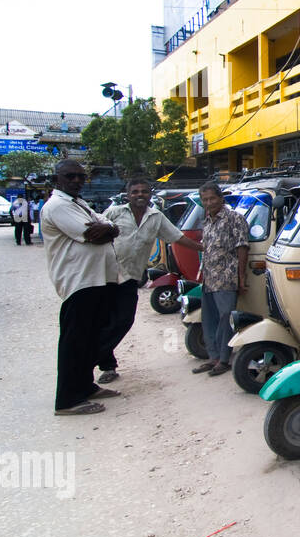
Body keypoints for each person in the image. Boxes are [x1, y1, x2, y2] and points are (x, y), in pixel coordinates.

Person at [99, 177, 203, 384]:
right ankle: (107, 365)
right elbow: (95, 233)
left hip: (131, 277)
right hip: (105, 275)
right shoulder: (114, 213)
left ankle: (97, 353)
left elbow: (177, 237)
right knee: (104, 320)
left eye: (144, 191)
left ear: (149, 194)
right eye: (135, 191)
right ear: (128, 195)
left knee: (124, 320)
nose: (140, 195)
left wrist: (204, 248)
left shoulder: (156, 217)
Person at [40, 159, 122, 416]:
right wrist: (108, 229)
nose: (76, 180)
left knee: (89, 339)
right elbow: (92, 236)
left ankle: (85, 387)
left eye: (80, 176)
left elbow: (109, 227)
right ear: (57, 179)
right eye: (70, 176)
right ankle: (68, 400)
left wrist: (109, 228)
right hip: (79, 281)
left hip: (95, 281)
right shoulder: (57, 206)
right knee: (75, 342)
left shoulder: (78, 203)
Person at [194, 182, 250, 377]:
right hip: (209, 278)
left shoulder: (234, 218)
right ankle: (213, 357)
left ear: (221, 198)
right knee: (209, 319)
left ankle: (224, 359)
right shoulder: (207, 221)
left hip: (226, 278)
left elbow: (242, 247)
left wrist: (241, 277)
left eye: (212, 198)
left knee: (226, 318)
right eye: (205, 200)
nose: (209, 203)